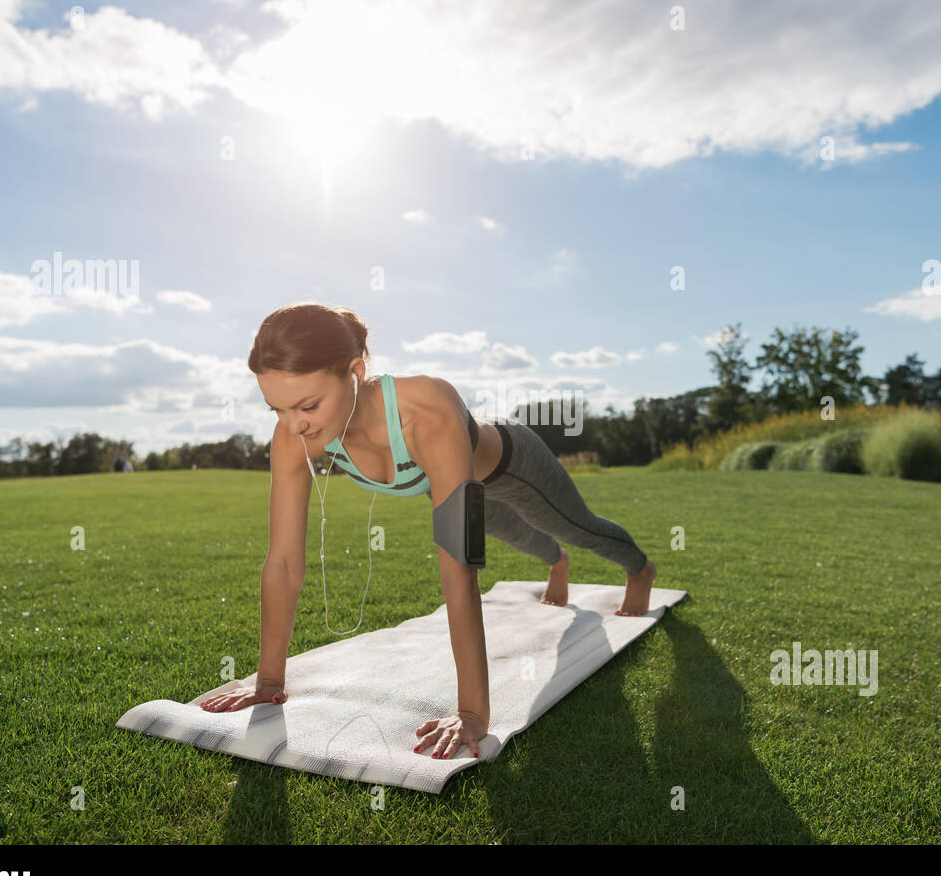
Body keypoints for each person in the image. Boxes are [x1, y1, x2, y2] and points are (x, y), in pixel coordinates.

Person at [201, 303, 657, 762]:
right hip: (446, 483)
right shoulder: (294, 435)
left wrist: (473, 714)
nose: (293, 424)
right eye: (276, 407)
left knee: (572, 526)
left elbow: (459, 566)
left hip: (513, 465)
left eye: (308, 405)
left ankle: (640, 569)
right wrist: (268, 682)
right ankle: (557, 564)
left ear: (355, 372)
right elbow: (282, 562)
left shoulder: (427, 408)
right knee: (521, 538)